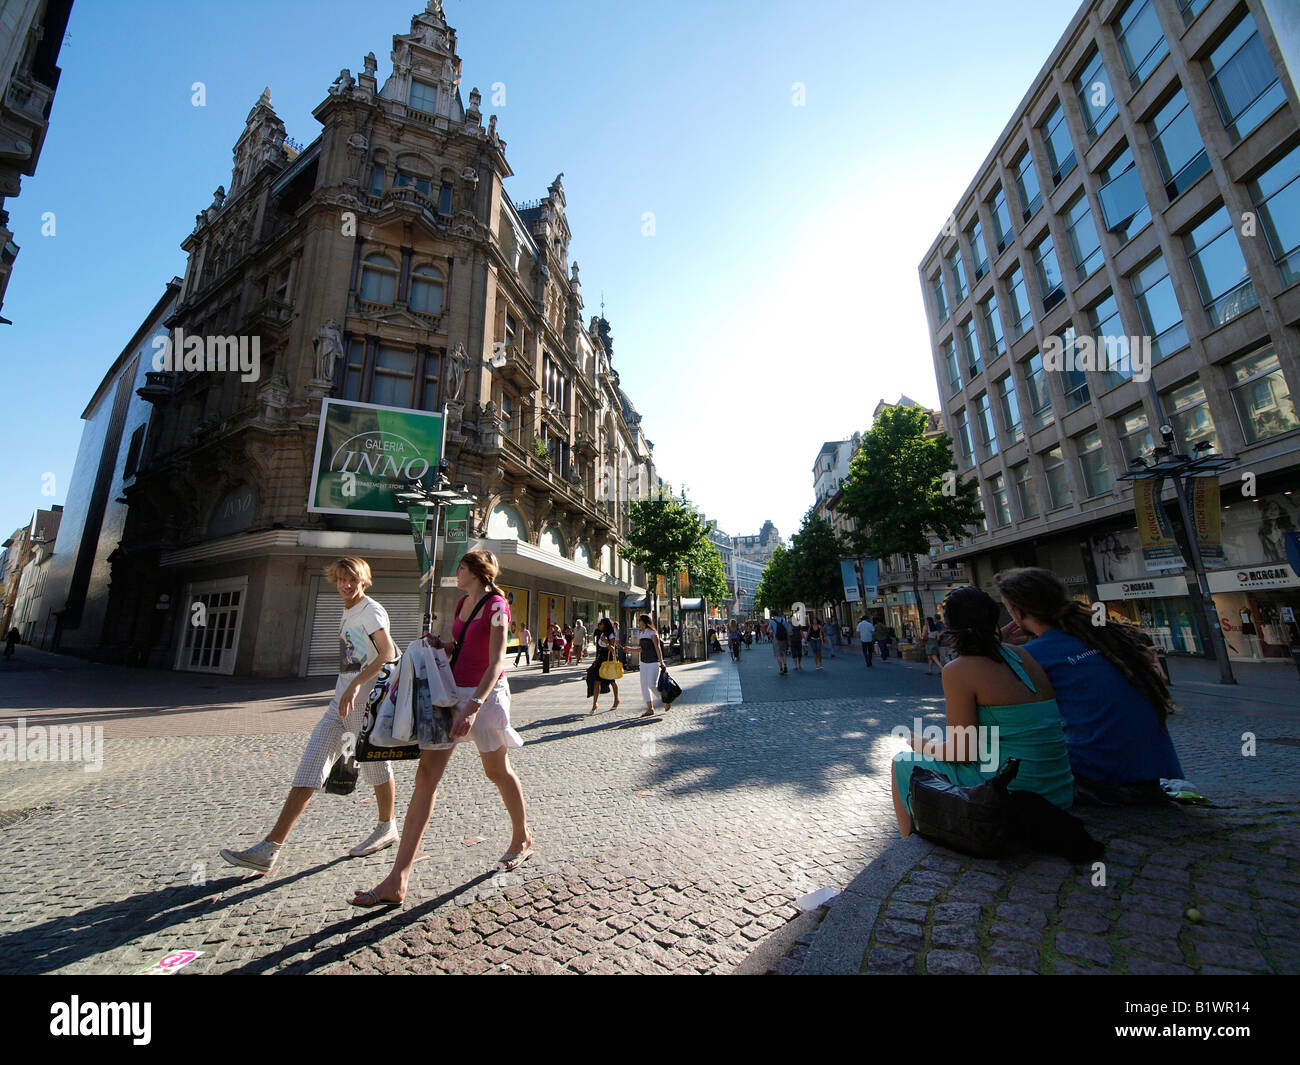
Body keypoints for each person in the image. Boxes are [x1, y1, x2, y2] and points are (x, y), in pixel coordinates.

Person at [351, 549, 531, 907]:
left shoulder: (497, 606)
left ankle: (522, 838)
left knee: (497, 771)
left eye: (462, 568)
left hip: (486, 695)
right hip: (449, 693)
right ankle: (397, 879)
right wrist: (442, 645)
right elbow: (461, 647)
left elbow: (496, 660)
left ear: (478, 572)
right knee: (426, 776)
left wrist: (474, 707)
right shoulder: (463, 602)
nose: (457, 573)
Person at [221, 558, 398, 874]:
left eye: (352, 580)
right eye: (341, 579)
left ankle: (387, 827)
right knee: (311, 765)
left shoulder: (370, 610)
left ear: (364, 580)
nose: (346, 585)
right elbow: (357, 659)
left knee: (375, 765)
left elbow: (388, 654)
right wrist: (347, 686)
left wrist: (356, 686)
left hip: (362, 704)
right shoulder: (348, 611)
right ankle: (269, 848)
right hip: (339, 704)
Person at [890, 586, 1074, 838]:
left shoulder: (958, 670)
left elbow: (961, 752)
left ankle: (909, 846)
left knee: (902, 763)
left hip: (1015, 796)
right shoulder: (1023, 656)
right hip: (1059, 791)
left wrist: (921, 744)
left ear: (949, 627)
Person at [997, 567, 1184, 805]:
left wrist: (999, 646)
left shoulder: (1031, 656)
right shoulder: (1105, 637)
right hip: (1151, 770)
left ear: (1018, 610)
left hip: (1099, 775)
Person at [634, 614, 666, 717]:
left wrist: (661, 662)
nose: (638, 622)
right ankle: (650, 708)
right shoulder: (642, 633)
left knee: (652, 685)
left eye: (639, 620)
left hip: (653, 662)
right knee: (644, 686)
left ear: (644, 621)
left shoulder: (652, 633)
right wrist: (629, 649)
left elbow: (657, 648)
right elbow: (640, 649)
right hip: (643, 662)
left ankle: (665, 700)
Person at [587, 617, 621, 714]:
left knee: (612, 681)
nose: (599, 625)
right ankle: (595, 704)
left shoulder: (611, 635)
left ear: (605, 625)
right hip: (600, 659)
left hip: (608, 660)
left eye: (601, 624)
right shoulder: (601, 633)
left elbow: (613, 650)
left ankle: (616, 699)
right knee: (596, 681)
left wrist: (606, 642)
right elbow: (599, 648)